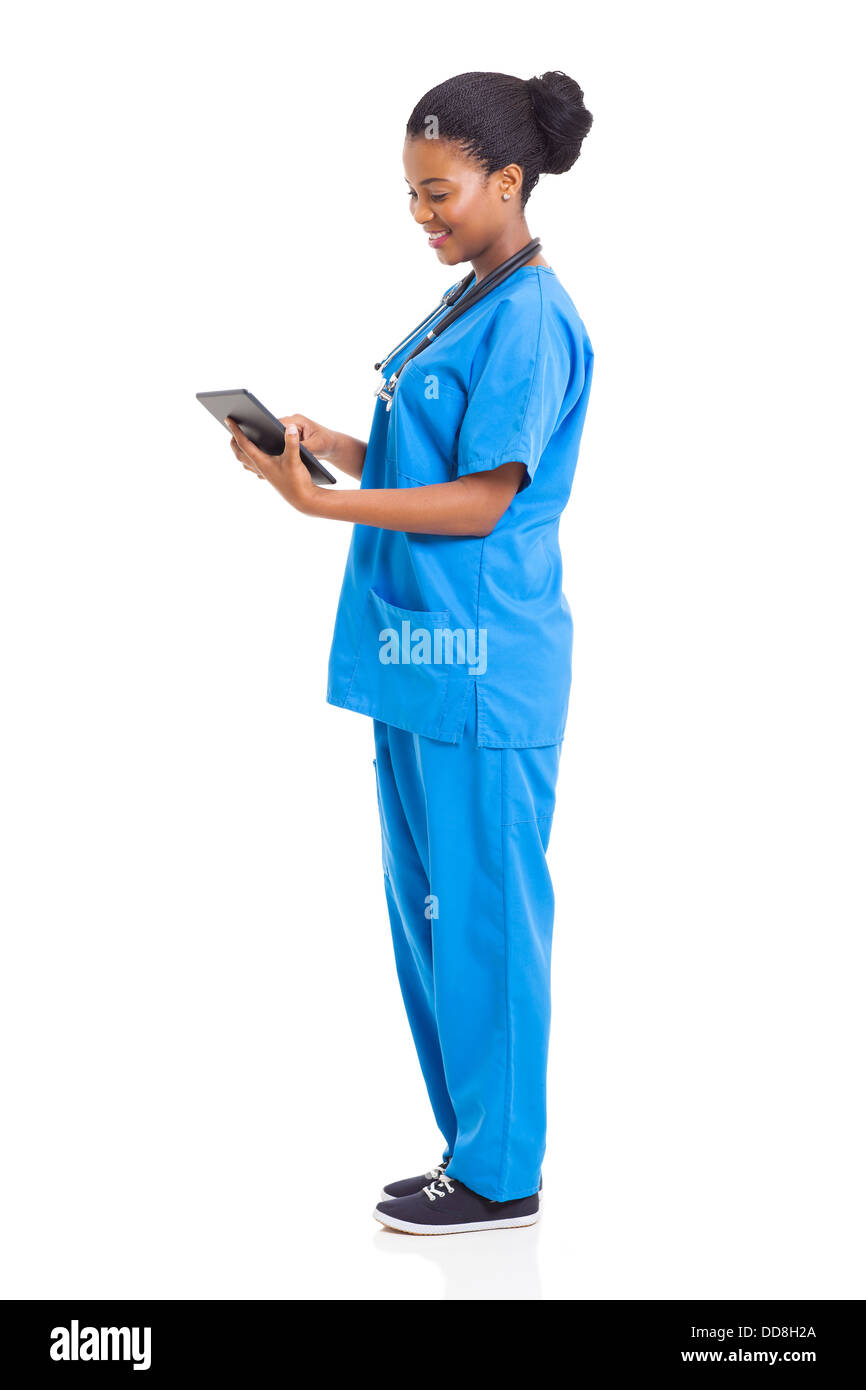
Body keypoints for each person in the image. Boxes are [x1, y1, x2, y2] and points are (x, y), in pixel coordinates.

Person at [226, 69, 595, 1235]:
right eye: (410, 195)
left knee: (483, 918)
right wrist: (324, 442)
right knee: (432, 914)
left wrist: (319, 507)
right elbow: (426, 450)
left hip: (483, 666)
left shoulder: (532, 315)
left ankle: (502, 1175)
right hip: (418, 658)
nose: (421, 215)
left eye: (439, 194)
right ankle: (467, 1151)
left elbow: (484, 499)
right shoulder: (469, 299)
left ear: (507, 180)